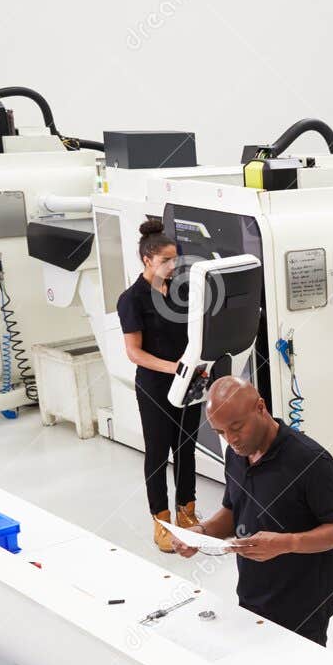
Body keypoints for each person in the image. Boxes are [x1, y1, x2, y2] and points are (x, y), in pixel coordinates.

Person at [173, 377, 333, 645]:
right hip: (252, 598)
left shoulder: (310, 460)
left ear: (261, 407)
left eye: (236, 427)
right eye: (220, 432)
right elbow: (234, 509)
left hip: (303, 607)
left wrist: (289, 543)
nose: (231, 439)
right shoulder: (236, 454)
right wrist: (202, 532)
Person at [118, 219, 202, 552]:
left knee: (186, 447)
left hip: (189, 382)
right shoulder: (132, 299)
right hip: (155, 384)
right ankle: (162, 520)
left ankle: (187, 511)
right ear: (147, 260)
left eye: (175, 259)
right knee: (158, 452)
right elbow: (134, 353)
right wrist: (173, 368)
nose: (173, 265)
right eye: (166, 260)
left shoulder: (182, 290)